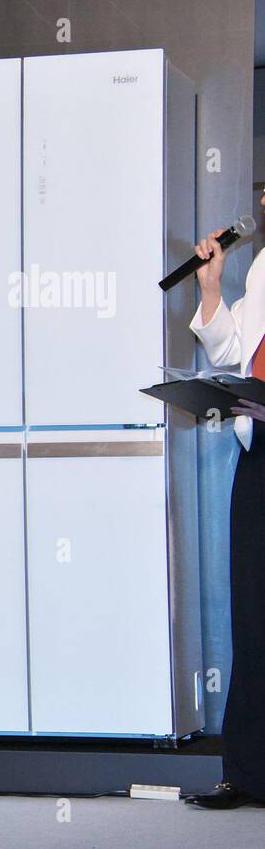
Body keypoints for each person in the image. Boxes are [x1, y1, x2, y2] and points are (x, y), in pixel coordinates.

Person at [184, 190, 265, 809]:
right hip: (259, 452)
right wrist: (211, 287)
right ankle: (246, 772)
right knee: (253, 615)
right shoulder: (263, 266)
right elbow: (234, 351)